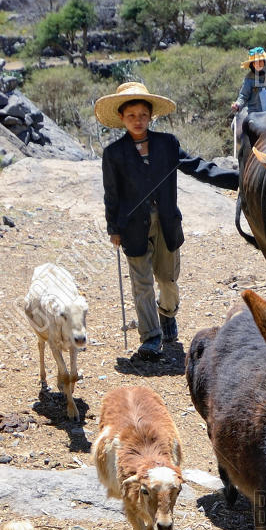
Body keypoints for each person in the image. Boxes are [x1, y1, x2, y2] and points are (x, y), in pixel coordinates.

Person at [96, 81, 188, 360]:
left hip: (167, 223)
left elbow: (193, 165)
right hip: (132, 226)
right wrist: (113, 227)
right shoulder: (114, 154)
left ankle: (167, 313)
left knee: (167, 279)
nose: (138, 121)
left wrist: (234, 178)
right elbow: (111, 194)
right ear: (122, 119)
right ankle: (151, 337)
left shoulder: (167, 144)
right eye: (131, 116)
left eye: (143, 115)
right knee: (142, 284)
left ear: (151, 117)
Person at [232, 46, 266, 115]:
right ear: (252, 65)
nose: (258, 64)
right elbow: (243, 96)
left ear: (264, 62)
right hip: (254, 114)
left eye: (260, 61)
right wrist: (237, 105)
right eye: (255, 62)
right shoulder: (249, 79)